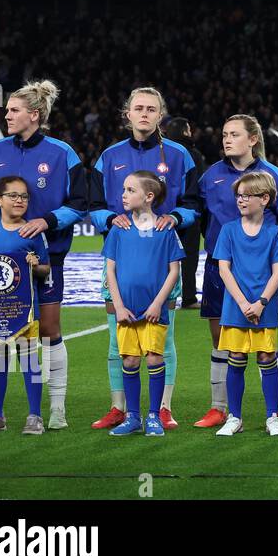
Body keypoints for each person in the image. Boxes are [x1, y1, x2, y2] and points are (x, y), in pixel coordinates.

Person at [0, 80, 86, 432]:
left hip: (46, 258)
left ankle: (56, 410)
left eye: (14, 110)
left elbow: (79, 203)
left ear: (34, 115)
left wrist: (45, 222)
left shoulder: (62, 153)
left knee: (46, 331)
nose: (7, 115)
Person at [87, 87, 201, 431]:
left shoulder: (180, 155)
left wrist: (177, 218)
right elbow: (92, 205)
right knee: (116, 337)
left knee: (161, 339)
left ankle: (162, 409)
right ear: (128, 114)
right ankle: (119, 408)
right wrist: (108, 219)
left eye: (152, 109)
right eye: (139, 108)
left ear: (160, 115)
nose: (145, 114)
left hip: (160, 258)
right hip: (120, 257)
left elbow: (195, 203)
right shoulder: (108, 156)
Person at [193, 115, 278, 429]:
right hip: (219, 266)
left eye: (234, 134)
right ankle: (220, 408)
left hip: (258, 270)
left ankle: (274, 411)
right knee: (223, 341)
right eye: (224, 134)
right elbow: (203, 219)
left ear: (253, 139)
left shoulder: (274, 176)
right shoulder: (210, 176)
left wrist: (257, 249)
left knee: (266, 346)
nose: (226, 139)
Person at [0, 177, 51, 435]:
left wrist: (35, 264)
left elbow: (46, 269)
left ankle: (35, 416)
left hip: (24, 309)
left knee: (29, 362)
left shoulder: (33, 232)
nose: (19, 200)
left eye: (24, 196)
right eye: (13, 195)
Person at [104, 171, 186, 438]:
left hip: (154, 310)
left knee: (153, 358)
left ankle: (154, 415)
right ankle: (132, 417)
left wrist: (157, 304)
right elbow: (110, 271)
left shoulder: (165, 230)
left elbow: (174, 271)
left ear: (149, 197)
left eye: (130, 190)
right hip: (126, 309)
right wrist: (117, 305)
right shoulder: (118, 228)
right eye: (124, 190)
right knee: (128, 360)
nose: (123, 195)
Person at [211, 171, 278, 437]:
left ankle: (272, 417)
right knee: (235, 357)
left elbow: (277, 272)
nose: (241, 200)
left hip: (263, 308)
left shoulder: (274, 232)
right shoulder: (228, 230)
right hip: (236, 307)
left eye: (247, 195)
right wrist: (244, 302)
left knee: (267, 357)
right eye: (238, 195)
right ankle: (234, 417)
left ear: (264, 199)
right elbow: (224, 269)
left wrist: (261, 302)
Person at [166, 117, 206, 310]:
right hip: (189, 212)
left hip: (165, 214)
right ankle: (189, 297)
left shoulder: (161, 151)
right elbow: (199, 184)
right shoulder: (193, 154)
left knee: (163, 256)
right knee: (189, 257)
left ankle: (162, 295)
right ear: (185, 132)